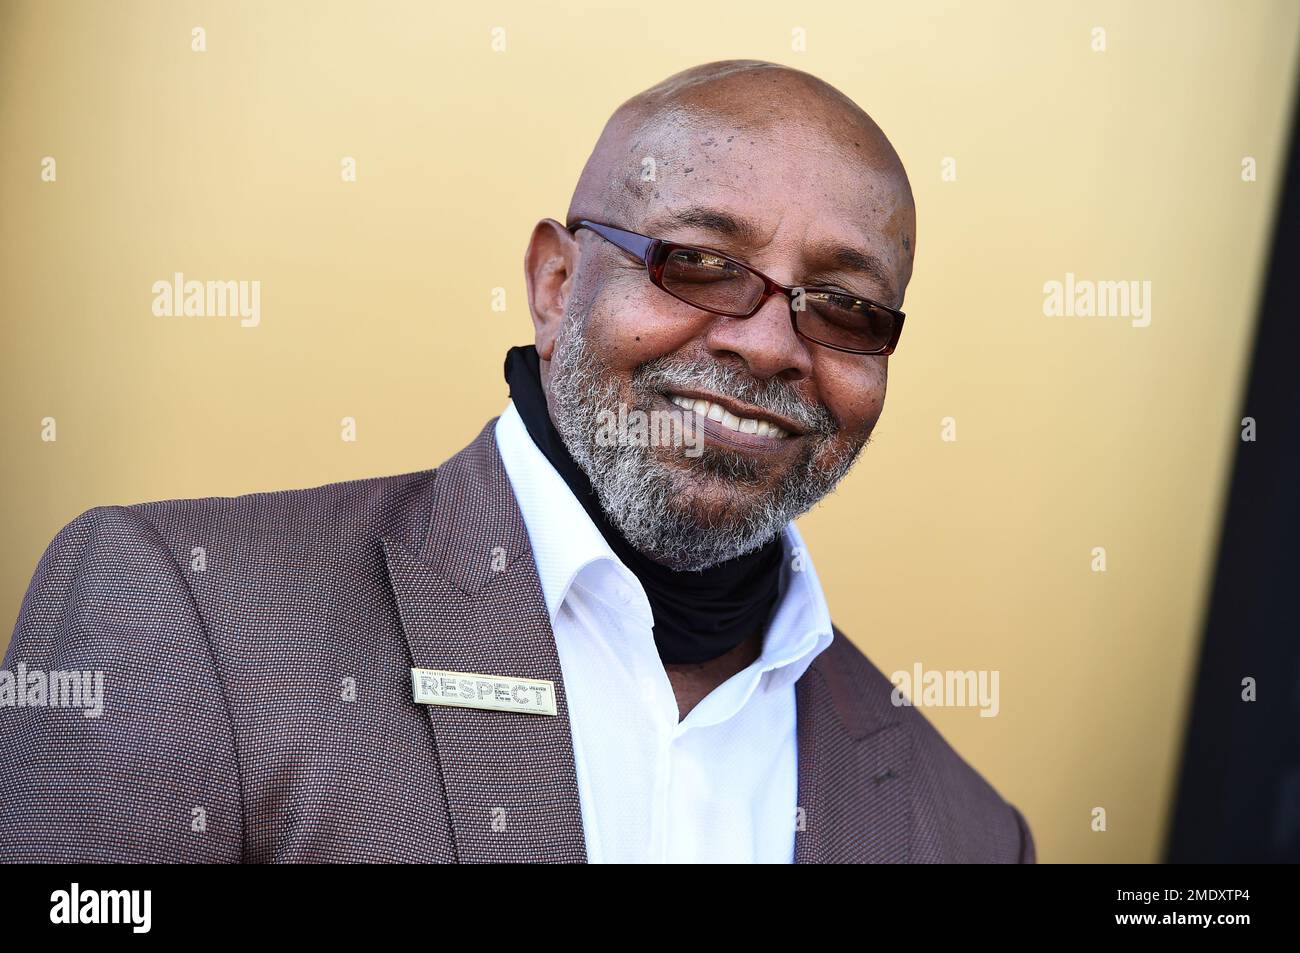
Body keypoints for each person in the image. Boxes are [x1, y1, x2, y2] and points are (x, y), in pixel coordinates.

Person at [0, 59, 1033, 863]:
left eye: (844, 305)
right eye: (701, 263)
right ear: (554, 283)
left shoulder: (970, 833)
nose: (766, 344)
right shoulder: (186, 614)